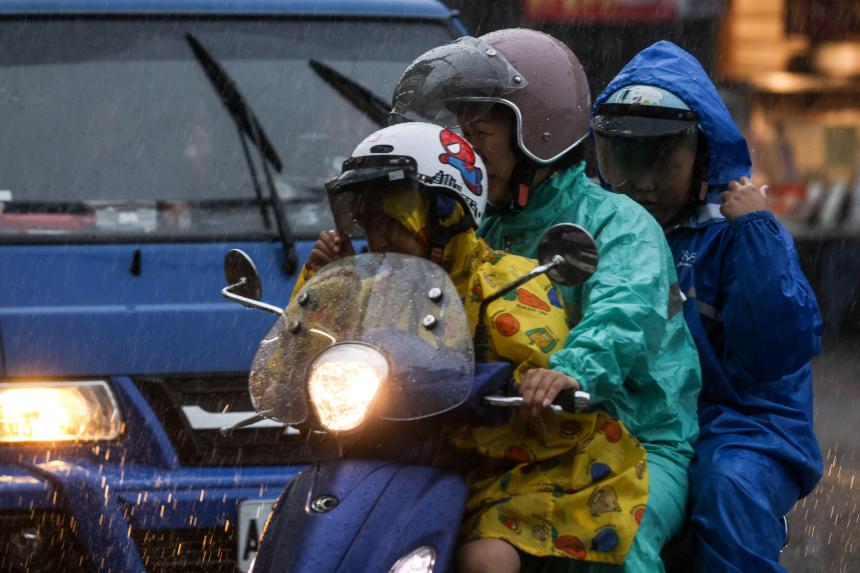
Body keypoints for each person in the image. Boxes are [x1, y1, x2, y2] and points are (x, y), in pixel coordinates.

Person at [390, 30, 702, 573]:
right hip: (504, 438)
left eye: (479, 129)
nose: (463, 143)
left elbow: (622, 314)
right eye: (458, 128)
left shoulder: (617, 223)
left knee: (618, 548)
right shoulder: (473, 223)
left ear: (537, 132)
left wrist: (569, 372)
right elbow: (426, 297)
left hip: (628, 437)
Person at [299, 121, 650, 572]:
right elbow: (314, 350)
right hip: (409, 464)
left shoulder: (504, 283)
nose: (379, 241)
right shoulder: (371, 288)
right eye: (370, 225)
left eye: (393, 224)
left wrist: (539, 381)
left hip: (514, 468)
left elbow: (544, 362)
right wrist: (322, 283)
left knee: (485, 560)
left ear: (445, 217)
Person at [591, 41, 823, 573]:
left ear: (704, 152)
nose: (644, 184)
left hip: (744, 422)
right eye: (625, 160)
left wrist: (758, 234)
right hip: (637, 415)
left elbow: (776, 352)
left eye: (662, 161)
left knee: (726, 488)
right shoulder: (598, 225)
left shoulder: (738, 230)